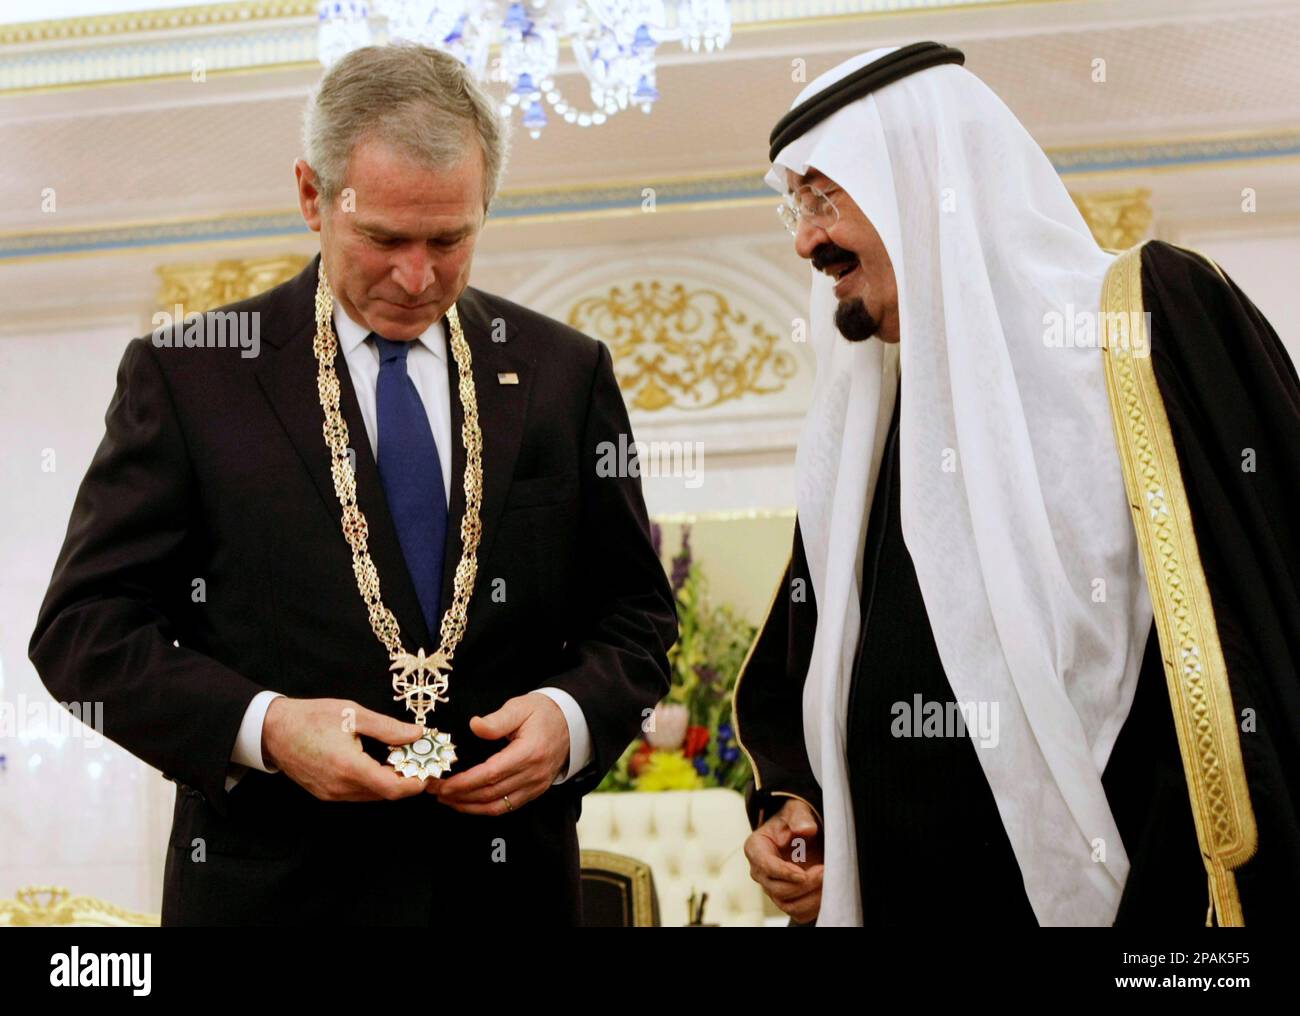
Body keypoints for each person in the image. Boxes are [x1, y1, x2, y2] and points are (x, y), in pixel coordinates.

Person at [29, 43, 677, 926]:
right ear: (311, 195)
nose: (419, 278)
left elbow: (636, 618)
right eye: (383, 239)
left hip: (507, 897)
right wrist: (264, 728)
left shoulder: (564, 373)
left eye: (451, 240)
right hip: (274, 899)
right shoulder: (190, 375)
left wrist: (572, 717)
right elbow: (82, 633)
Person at [736, 42, 1300, 927]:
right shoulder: (870, 428)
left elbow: (1259, 637)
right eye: (794, 207)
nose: (806, 240)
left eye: (823, 196)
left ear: (919, 182)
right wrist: (798, 802)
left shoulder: (1147, 324)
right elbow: (808, 664)